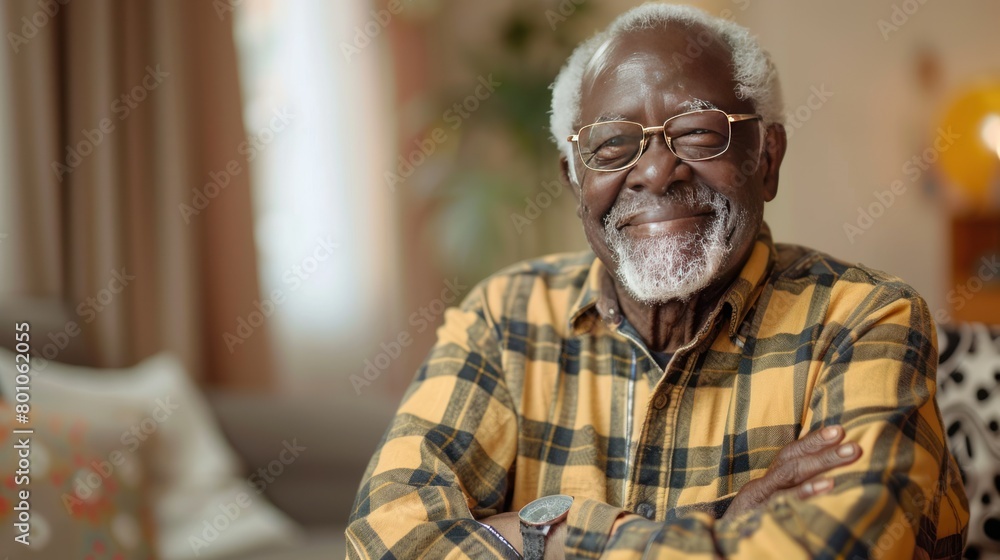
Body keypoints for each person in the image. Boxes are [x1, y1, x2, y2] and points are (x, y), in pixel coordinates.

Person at [346, 3, 969, 558]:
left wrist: (543, 534)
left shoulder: (864, 318)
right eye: (612, 144)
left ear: (767, 158)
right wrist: (724, 521)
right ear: (573, 181)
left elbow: (847, 547)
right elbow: (386, 540)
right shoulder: (505, 315)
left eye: (698, 132)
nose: (655, 171)